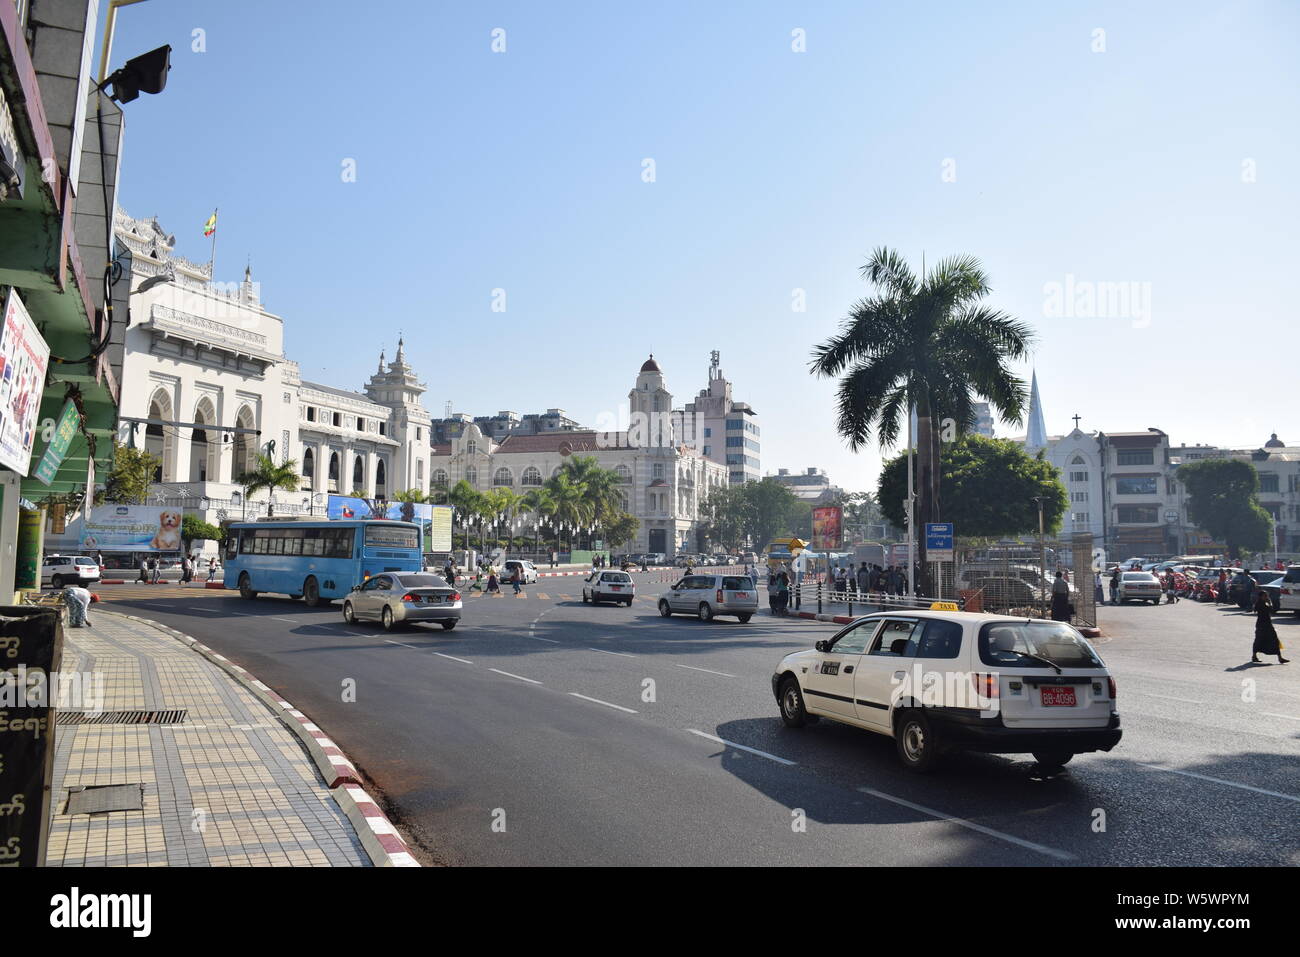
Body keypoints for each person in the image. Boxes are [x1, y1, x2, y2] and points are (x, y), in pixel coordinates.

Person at [1252, 588, 1288, 664]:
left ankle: (1280, 657)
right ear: (1261, 597)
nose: (1266, 597)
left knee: (1271, 640)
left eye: (1267, 596)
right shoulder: (1262, 604)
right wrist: (1270, 602)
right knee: (1262, 640)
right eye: (1265, 596)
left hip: (1264, 624)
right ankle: (1254, 656)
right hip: (1264, 625)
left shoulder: (1259, 603)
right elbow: (1271, 610)